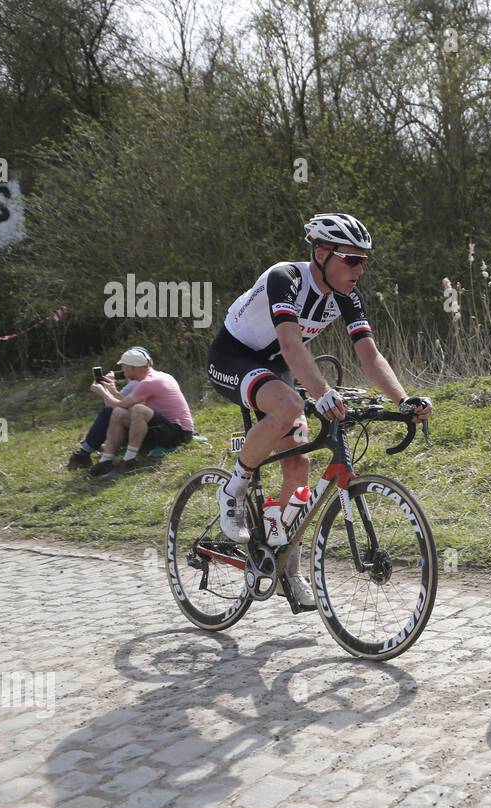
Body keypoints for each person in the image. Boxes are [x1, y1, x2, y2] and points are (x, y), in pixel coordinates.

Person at [207, 212, 433, 609]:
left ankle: (285, 572)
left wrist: (403, 400)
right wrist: (322, 392)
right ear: (322, 252)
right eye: (351, 259)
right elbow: (292, 344)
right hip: (233, 357)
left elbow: (369, 355)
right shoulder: (285, 278)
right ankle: (234, 487)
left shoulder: (346, 295)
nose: (359, 268)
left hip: (276, 368)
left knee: (298, 469)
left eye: (364, 260)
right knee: (291, 404)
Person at [86, 347, 195, 479]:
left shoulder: (149, 382)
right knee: (119, 413)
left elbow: (122, 404)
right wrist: (113, 391)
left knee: (138, 410)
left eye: (124, 368)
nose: (123, 373)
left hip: (180, 434)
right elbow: (124, 404)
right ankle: (106, 461)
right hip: (165, 430)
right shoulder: (160, 376)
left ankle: (129, 461)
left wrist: (102, 392)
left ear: (133, 369)